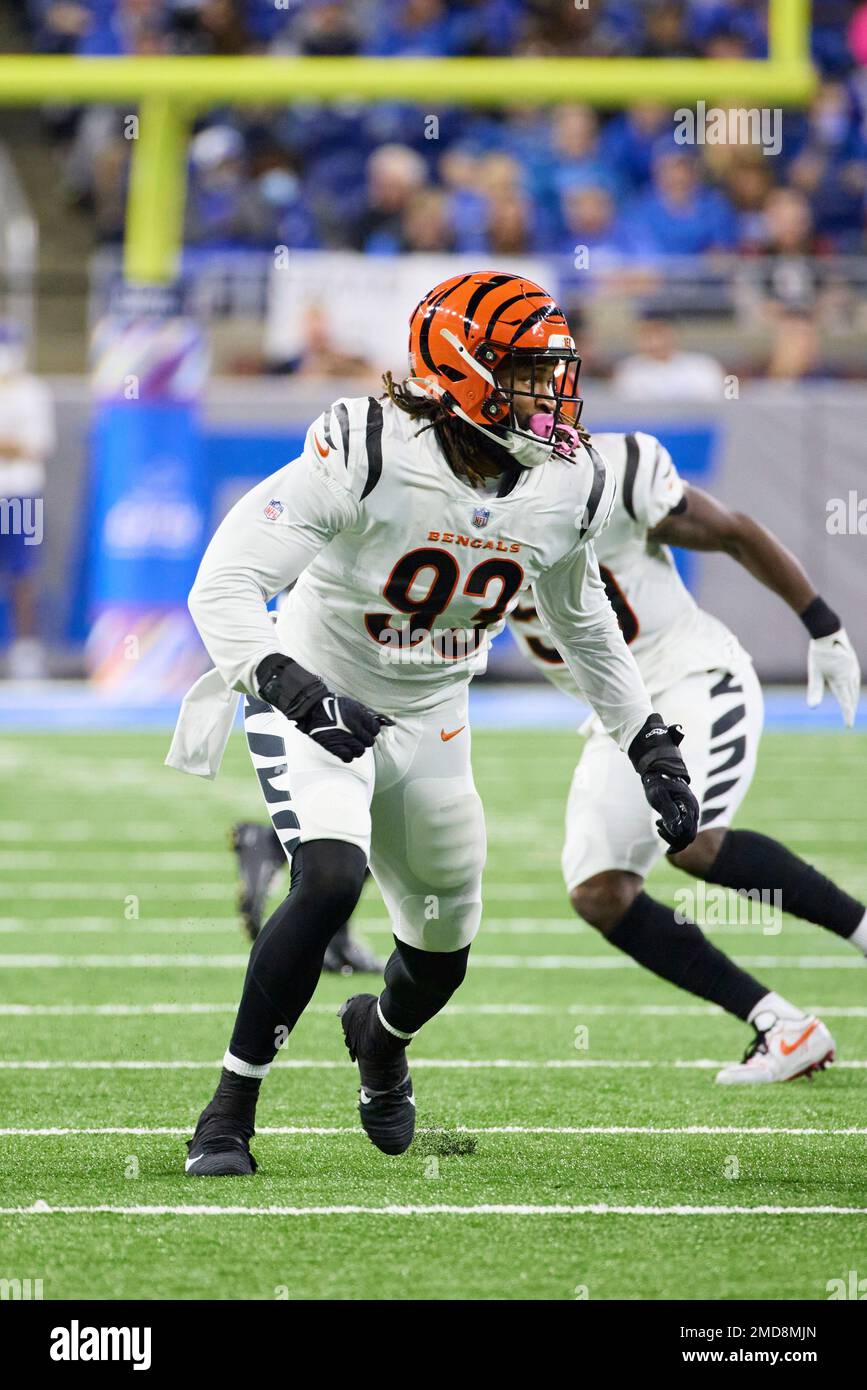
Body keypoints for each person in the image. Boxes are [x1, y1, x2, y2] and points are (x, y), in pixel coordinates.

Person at [168, 270, 699, 1175]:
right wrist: (293, 690)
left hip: (433, 716)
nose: (551, 395)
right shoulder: (367, 449)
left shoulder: (565, 479)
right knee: (329, 879)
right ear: (461, 369)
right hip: (322, 689)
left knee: (442, 947)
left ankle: (379, 1037)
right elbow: (221, 582)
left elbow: (580, 619)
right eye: (528, 373)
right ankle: (229, 1111)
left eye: (553, 372)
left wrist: (645, 736)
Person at [509, 430, 863, 1083]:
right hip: (622, 716)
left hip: (689, 674)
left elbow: (732, 532)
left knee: (693, 839)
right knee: (600, 893)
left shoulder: (609, 471)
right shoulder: (446, 505)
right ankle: (782, 1026)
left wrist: (822, 625)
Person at [0, 321, 55, 679]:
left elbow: (36, 448)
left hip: (21, 496)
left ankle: (25, 652)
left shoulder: (33, 391)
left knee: (23, 575)